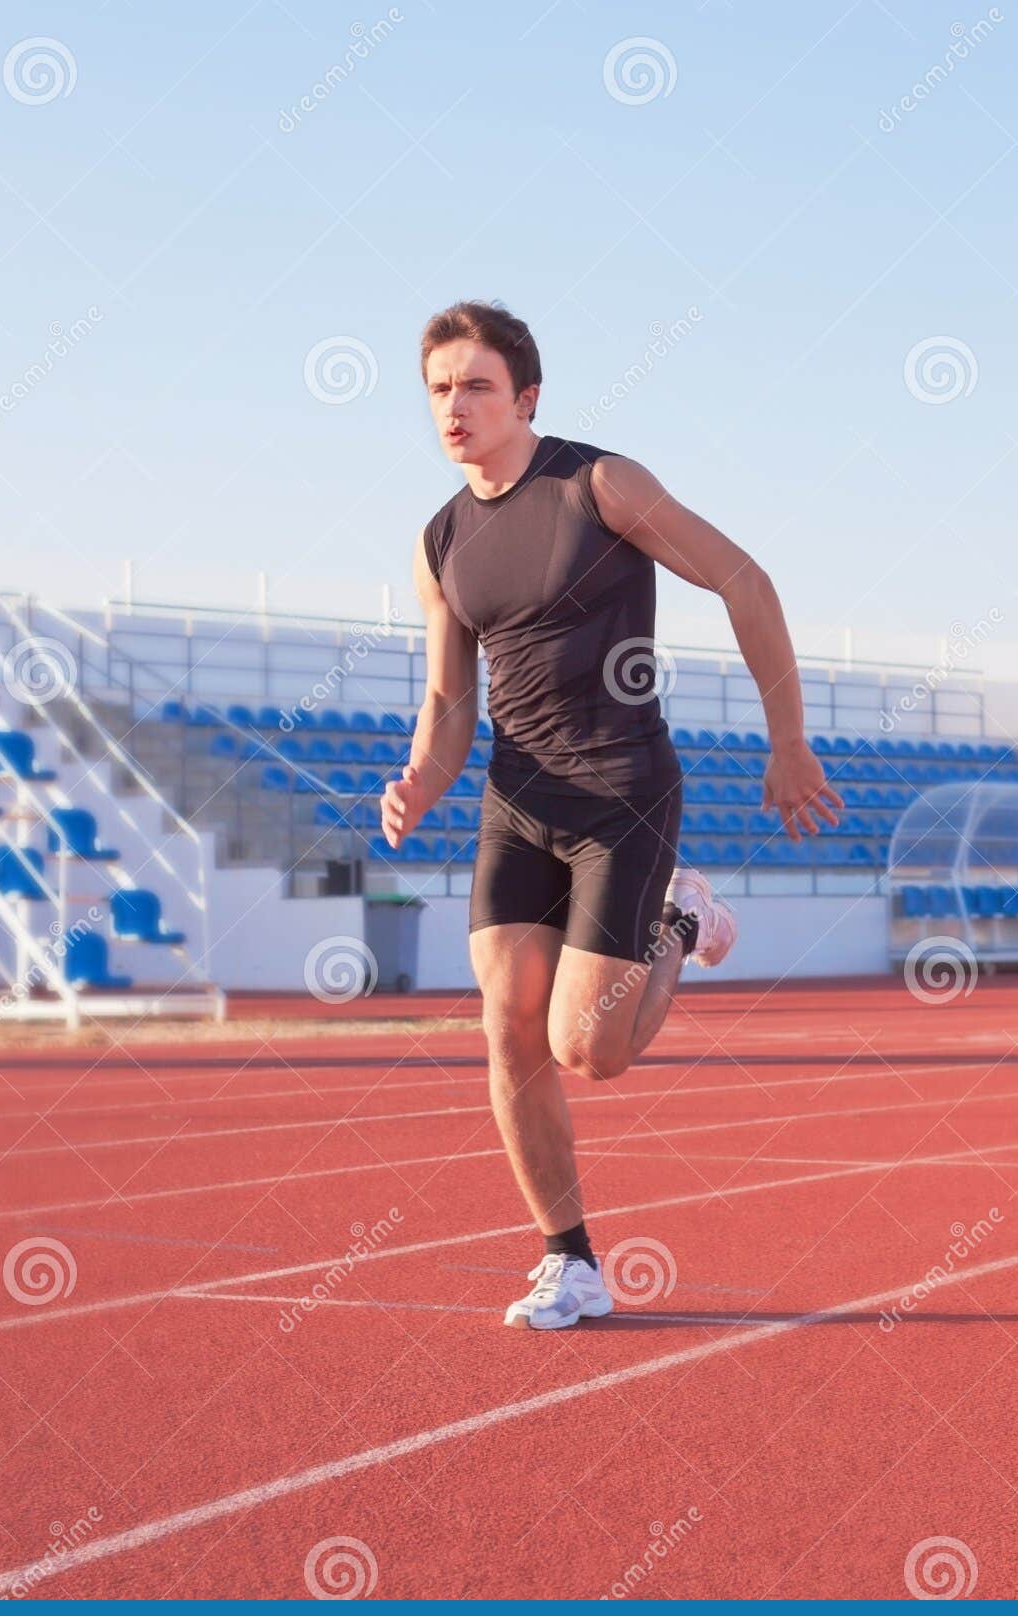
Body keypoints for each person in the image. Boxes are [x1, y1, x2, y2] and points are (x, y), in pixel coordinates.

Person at [381, 300, 843, 1331]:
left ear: (526, 397)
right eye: (438, 390)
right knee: (508, 1035)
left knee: (587, 1048)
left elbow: (742, 578)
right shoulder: (438, 542)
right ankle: (568, 1259)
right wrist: (420, 775)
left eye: (475, 386)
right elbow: (451, 701)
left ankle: (676, 918)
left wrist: (788, 741)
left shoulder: (599, 485)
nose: (453, 408)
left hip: (623, 790)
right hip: (518, 798)